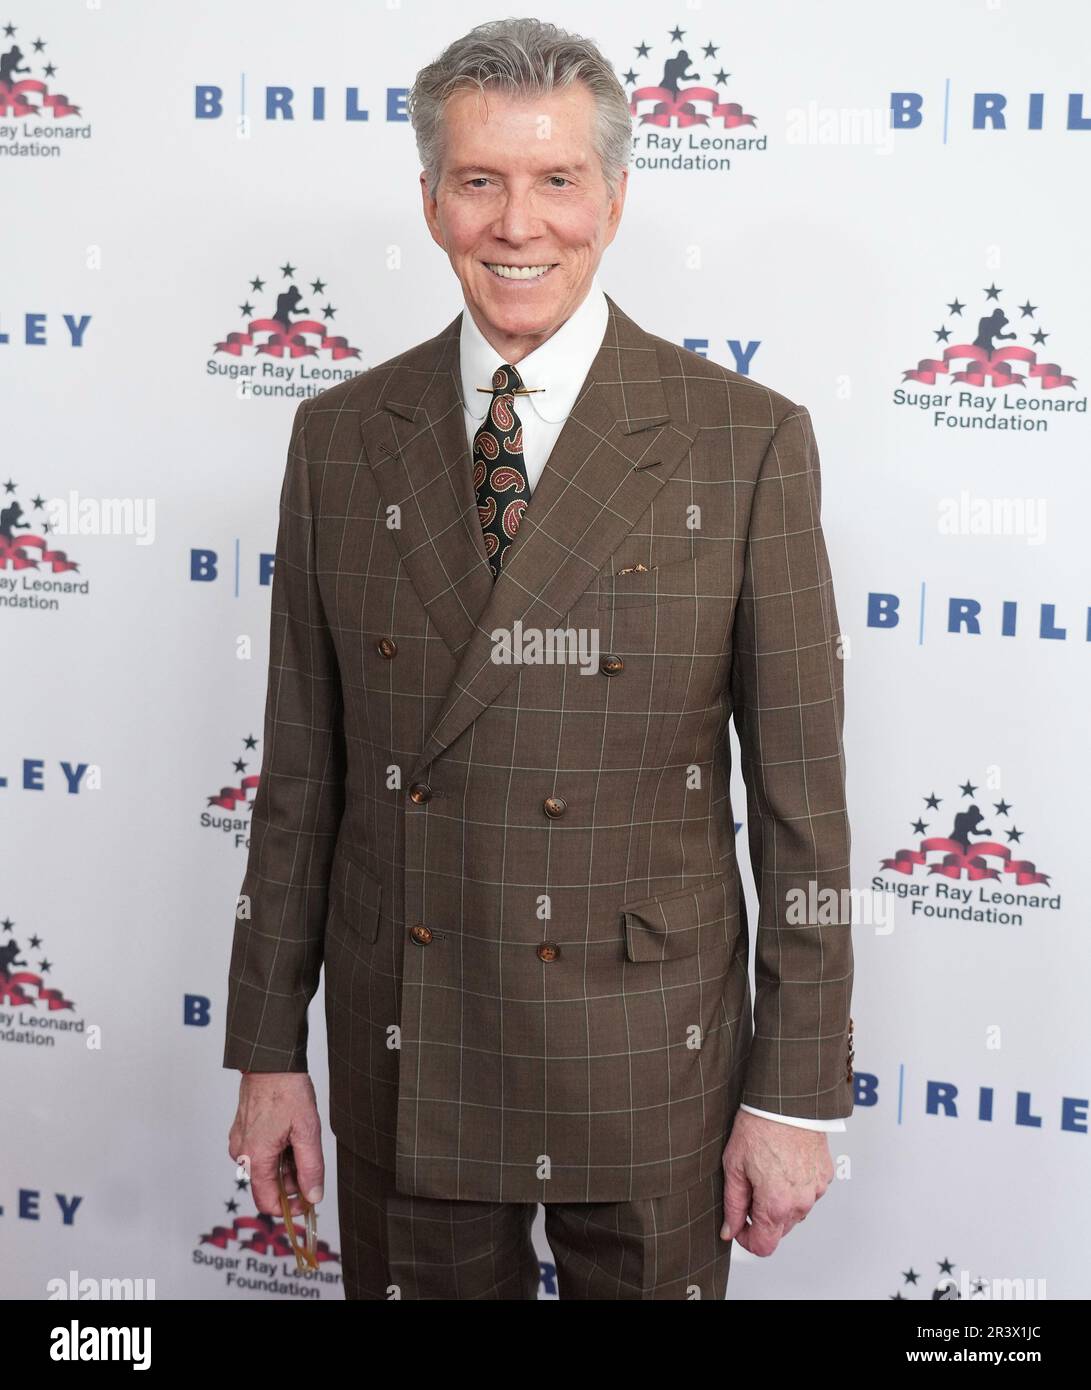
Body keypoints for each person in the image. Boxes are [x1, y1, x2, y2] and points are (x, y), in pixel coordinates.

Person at [223, 16, 854, 1301]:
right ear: (430, 200)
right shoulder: (340, 440)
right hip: (414, 1035)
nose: (520, 224)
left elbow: (801, 807)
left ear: (612, 199)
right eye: (481, 181)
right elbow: (298, 784)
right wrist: (268, 1051)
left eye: (557, 181)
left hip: (649, 1060)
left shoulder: (743, 441)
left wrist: (795, 1094)